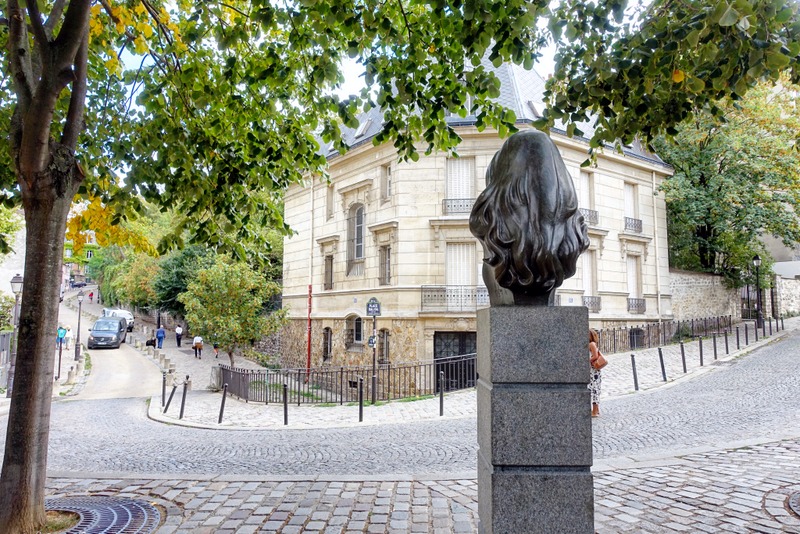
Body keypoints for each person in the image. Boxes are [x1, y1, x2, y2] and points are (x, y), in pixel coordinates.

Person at [589, 328, 604, 417]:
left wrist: (587, 360)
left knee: (594, 389)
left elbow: (594, 356)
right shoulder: (592, 344)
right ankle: (596, 410)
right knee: (595, 389)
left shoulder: (591, 344)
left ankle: (595, 411)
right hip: (594, 370)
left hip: (593, 371)